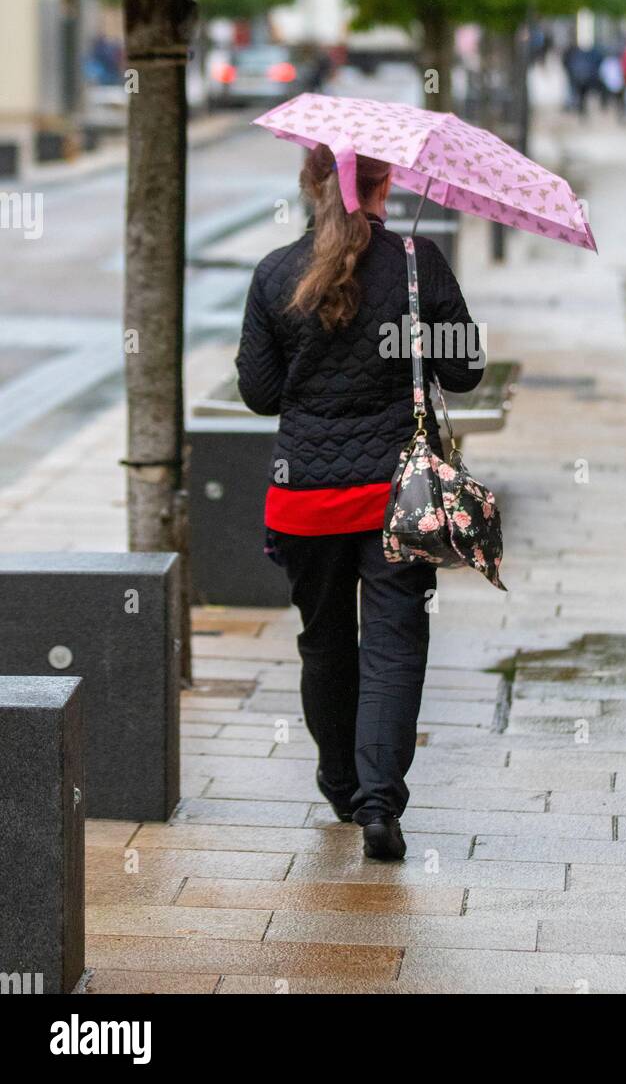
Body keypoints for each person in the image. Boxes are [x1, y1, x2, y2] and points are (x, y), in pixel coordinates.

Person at [235, 145, 484, 860]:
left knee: (324, 639)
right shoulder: (417, 263)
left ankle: (339, 780)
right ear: (386, 184)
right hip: (396, 500)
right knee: (394, 643)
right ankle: (379, 806)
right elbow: (465, 371)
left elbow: (259, 393)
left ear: (311, 186)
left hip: (304, 499)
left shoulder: (276, 273)